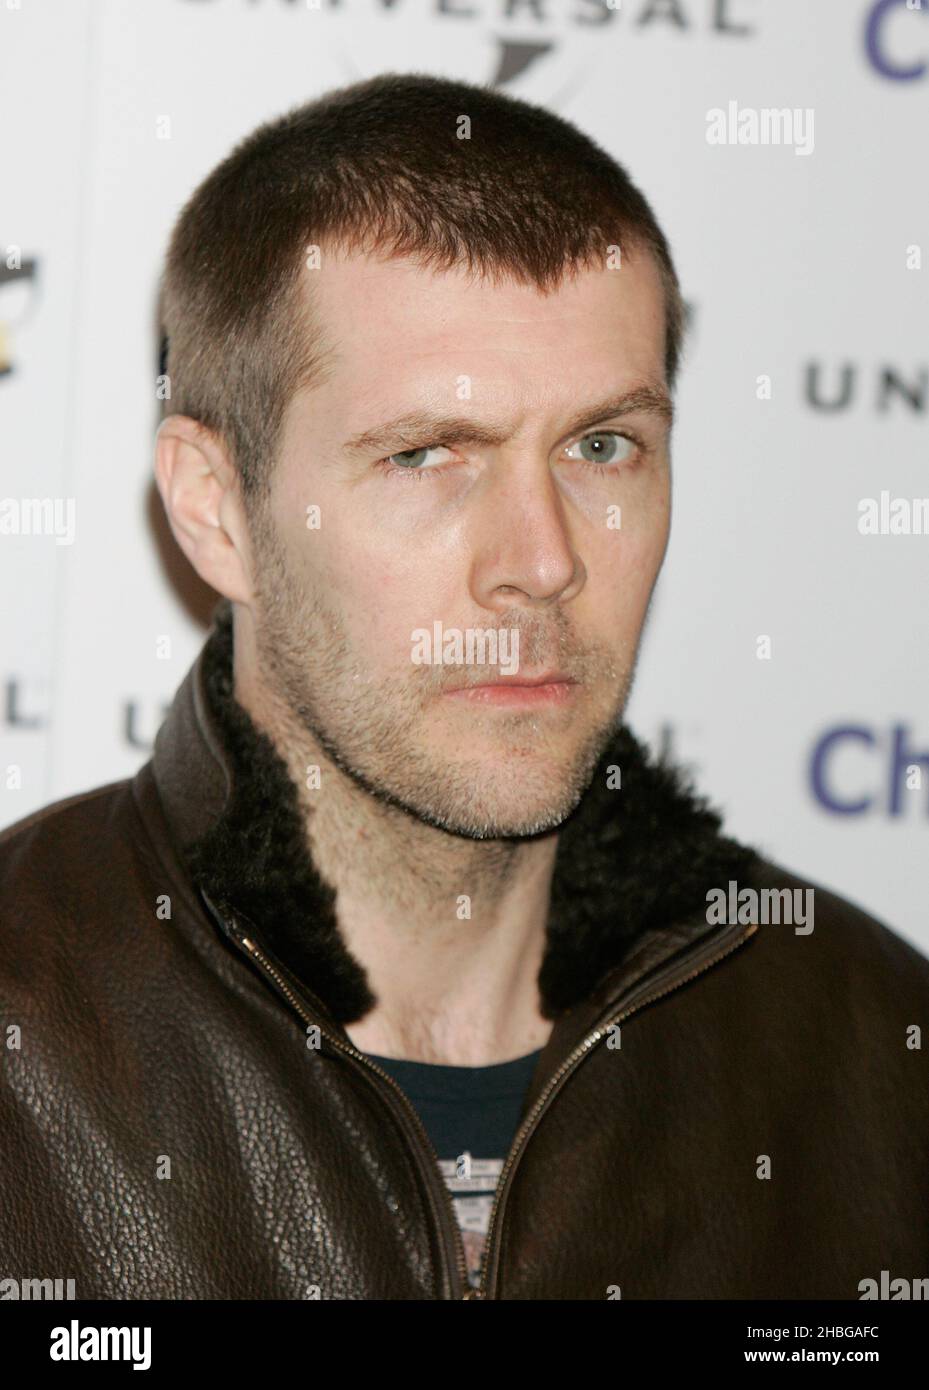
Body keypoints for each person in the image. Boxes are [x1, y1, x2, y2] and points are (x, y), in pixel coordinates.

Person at [1, 72, 926, 1302]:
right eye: (427, 455)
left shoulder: (868, 1051)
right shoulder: (29, 1042)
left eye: (601, 447)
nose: (542, 563)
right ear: (214, 510)